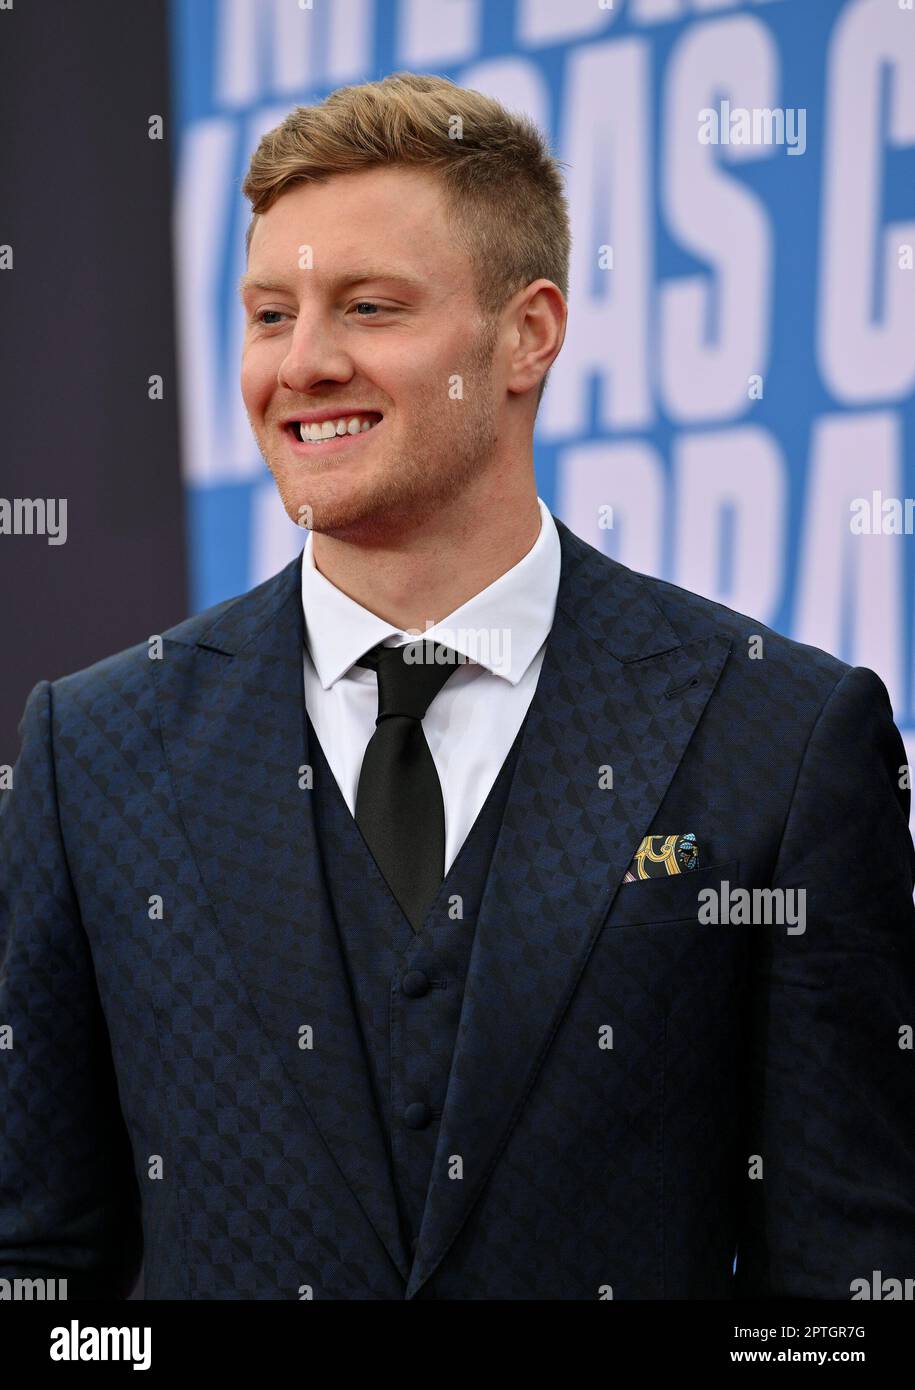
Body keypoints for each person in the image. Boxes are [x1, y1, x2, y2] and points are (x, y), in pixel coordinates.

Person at [2, 72, 913, 1302]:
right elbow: (41, 1267)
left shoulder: (781, 733)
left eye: (369, 306)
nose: (304, 363)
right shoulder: (92, 748)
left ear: (528, 333)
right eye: (269, 314)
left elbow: (849, 1279)